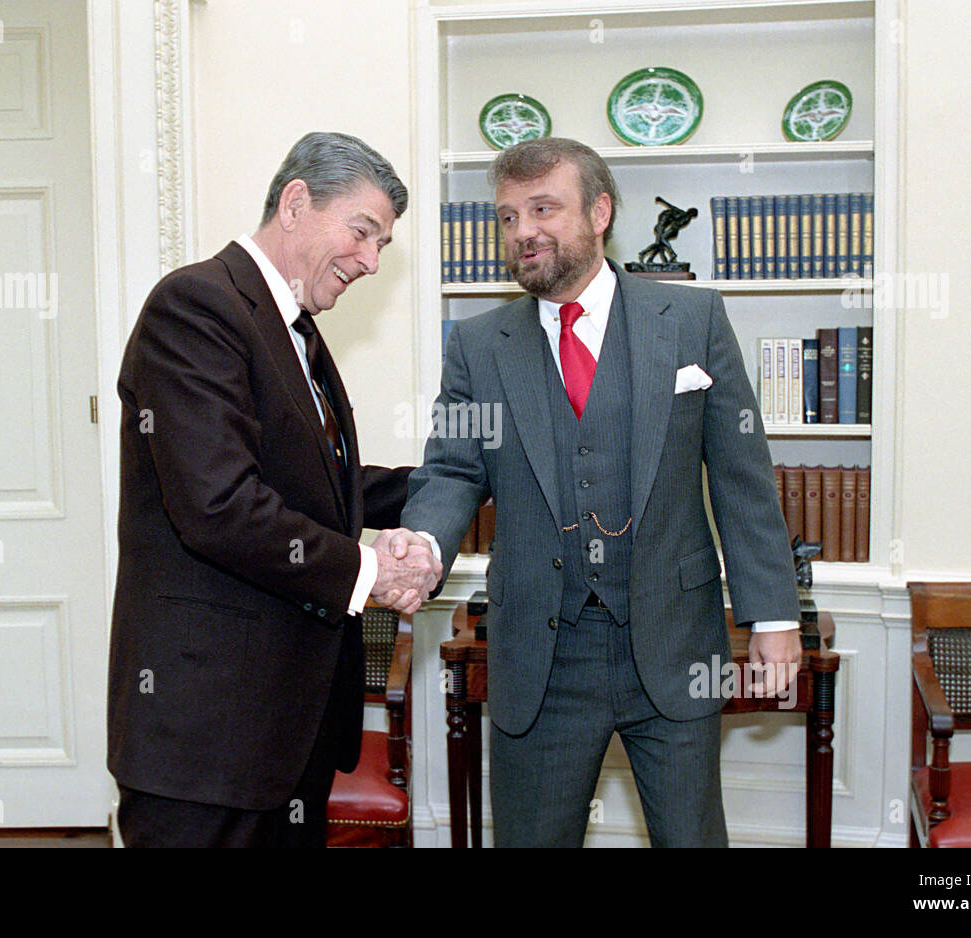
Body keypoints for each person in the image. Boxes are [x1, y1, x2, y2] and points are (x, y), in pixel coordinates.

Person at [391, 137, 802, 847]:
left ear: (600, 212)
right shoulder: (478, 346)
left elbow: (742, 476)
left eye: (544, 208)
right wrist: (424, 542)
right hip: (540, 658)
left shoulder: (694, 320)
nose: (524, 231)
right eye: (509, 216)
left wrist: (772, 618)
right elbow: (453, 468)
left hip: (675, 646)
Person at [107, 131, 441, 847]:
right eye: (362, 232)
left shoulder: (298, 331)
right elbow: (220, 506)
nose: (372, 262)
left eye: (382, 245)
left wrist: (451, 483)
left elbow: (321, 487)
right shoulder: (196, 307)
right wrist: (373, 570)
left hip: (288, 730)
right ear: (296, 203)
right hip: (207, 736)